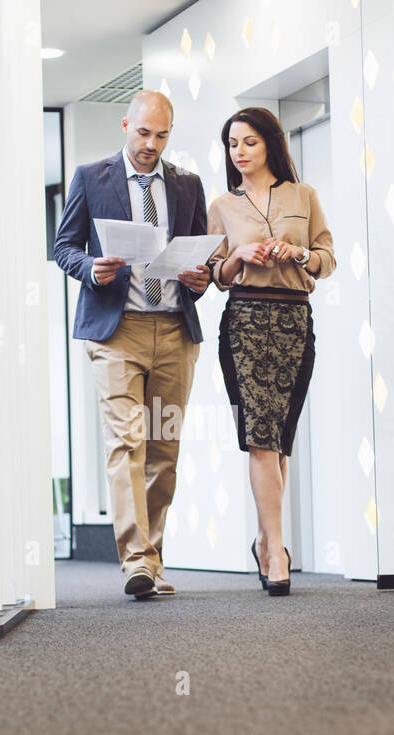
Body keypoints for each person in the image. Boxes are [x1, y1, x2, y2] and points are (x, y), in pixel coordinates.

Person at [54, 90, 210, 599]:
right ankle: (136, 562)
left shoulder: (187, 185)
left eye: (161, 135)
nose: (151, 144)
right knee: (127, 442)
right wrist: (90, 268)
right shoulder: (90, 177)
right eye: (143, 133)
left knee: (164, 448)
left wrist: (201, 277)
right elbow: (63, 247)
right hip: (117, 330)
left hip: (174, 330)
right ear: (125, 125)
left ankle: (154, 557)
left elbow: (202, 253)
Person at [207, 107, 336, 597]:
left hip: (294, 321)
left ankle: (265, 540)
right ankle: (278, 553)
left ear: (270, 146)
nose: (239, 153)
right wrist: (238, 257)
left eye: (248, 143)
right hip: (244, 322)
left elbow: (327, 259)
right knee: (260, 436)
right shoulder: (222, 205)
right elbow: (213, 273)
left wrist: (298, 253)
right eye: (232, 144)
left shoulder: (304, 197)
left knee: (280, 438)